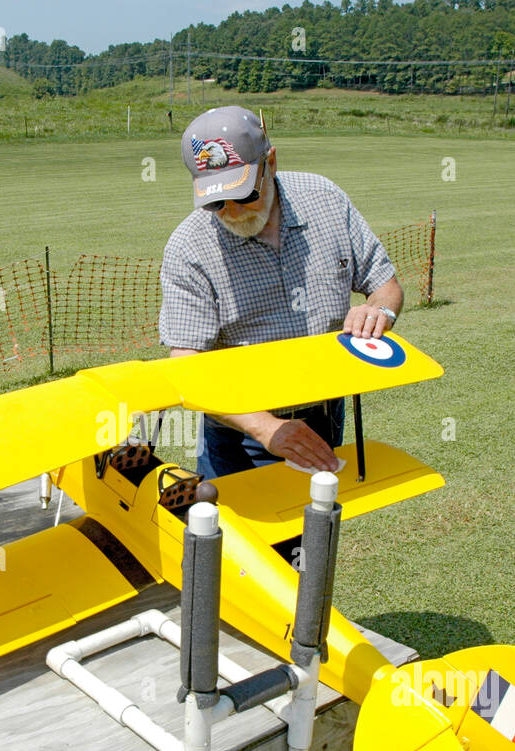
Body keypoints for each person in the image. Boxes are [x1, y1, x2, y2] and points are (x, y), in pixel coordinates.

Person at [159, 106, 404, 480]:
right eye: (215, 202)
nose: (233, 212)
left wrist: (378, 312)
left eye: (244, 194)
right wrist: (267, 429)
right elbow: (187, 366)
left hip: (324, 419)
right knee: (229, 538)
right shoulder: (189, 248)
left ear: (270, 162)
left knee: (317, 531)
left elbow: (385, 286)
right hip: (239, 439)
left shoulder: (326, 200)